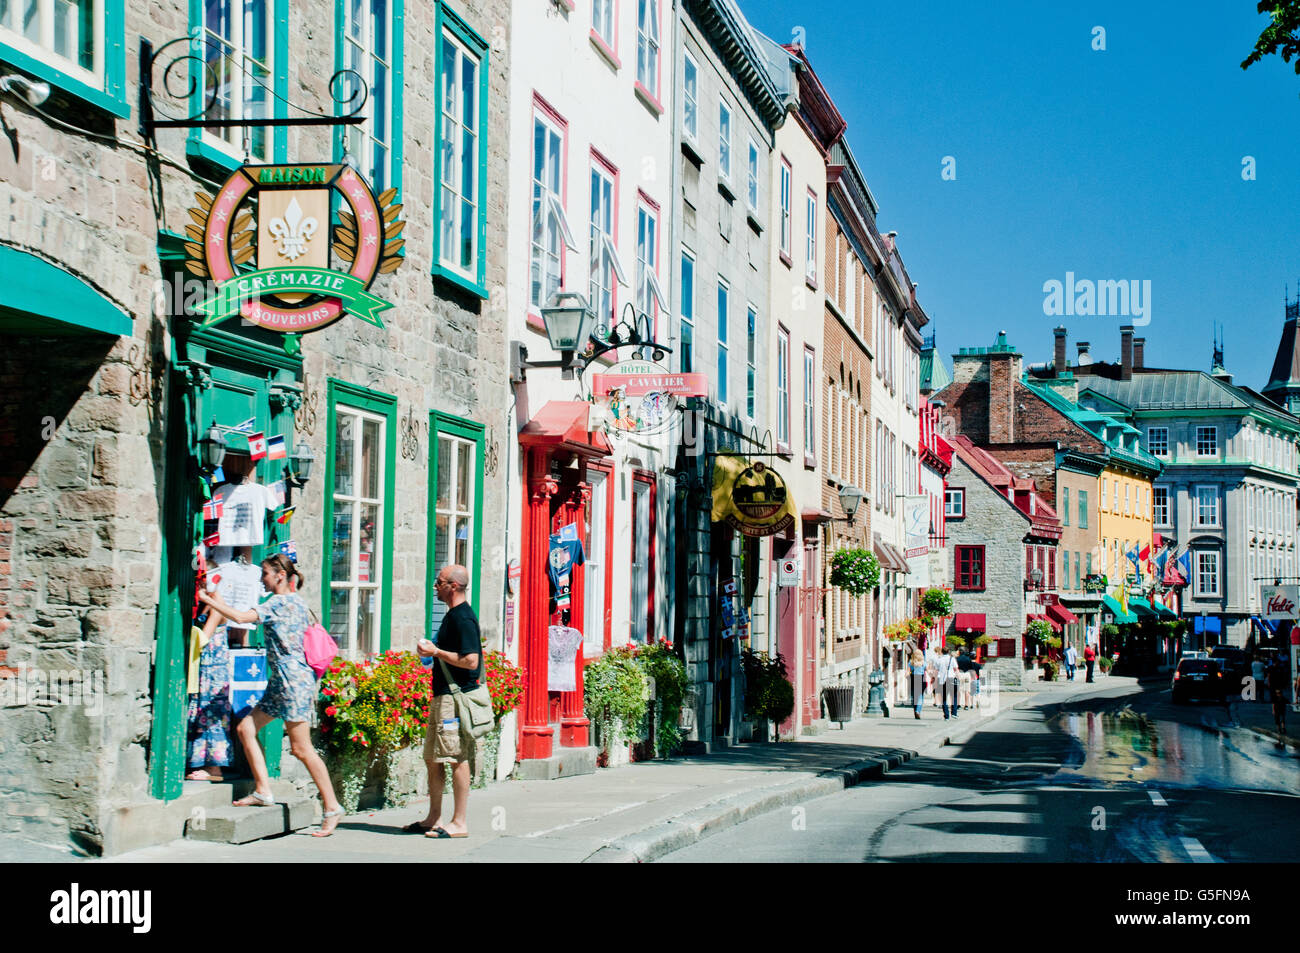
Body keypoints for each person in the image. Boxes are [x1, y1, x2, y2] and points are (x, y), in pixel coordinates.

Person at [197, 554, 344, 837]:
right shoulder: (298, 602)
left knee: (302, 749)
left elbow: (241, 617)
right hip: (285, 681)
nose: (261, 578)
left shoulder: (278, 603)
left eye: (265, 573)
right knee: (245, 727)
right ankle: (263, 790)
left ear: (279, 575)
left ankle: (332, 807)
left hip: (291, 683)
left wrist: (209, 597)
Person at [407, 564, 482, 839]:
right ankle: (433, 817)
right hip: (442, 697)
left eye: (439, 583)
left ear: (453, 586)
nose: (435, 587)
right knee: (433, 758)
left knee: (456, 757)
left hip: (454, 699)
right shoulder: (452, 615)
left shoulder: (463, 618)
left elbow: (471, 660)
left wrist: (436, 651)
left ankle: (459, 822)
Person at [936, 647, 960, 719]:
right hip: (951, 678)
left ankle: (946, 715)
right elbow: (956, 669)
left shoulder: (939, 659)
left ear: (942, 652)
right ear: (948, 651)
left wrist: (934, 678)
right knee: (954, 696)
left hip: (942, 680)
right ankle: (954, 712)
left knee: (944, 698)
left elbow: (936, 669)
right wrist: (958, 677)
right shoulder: (952, 659)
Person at [1266, 657, 1289, 735]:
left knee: (1278, 699)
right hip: (1273, 686)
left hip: (1278, 685)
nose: (1277, 664)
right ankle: (1279, 727)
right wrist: (1269, 683)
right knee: (1275, 700)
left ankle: (1281, 727)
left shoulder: (1279, 668)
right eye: (1277, 662)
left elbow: (1283, 676)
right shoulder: (1271, 668)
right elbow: (1269, 676)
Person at [909, 650, 926, 719]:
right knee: (920, 696)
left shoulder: (911, 662)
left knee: (914, 696)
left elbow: (908, 671)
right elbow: (927, 670)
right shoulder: (923, 663)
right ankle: (918, 710)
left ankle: (915, 711)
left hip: (913, 679)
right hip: (921, 679)